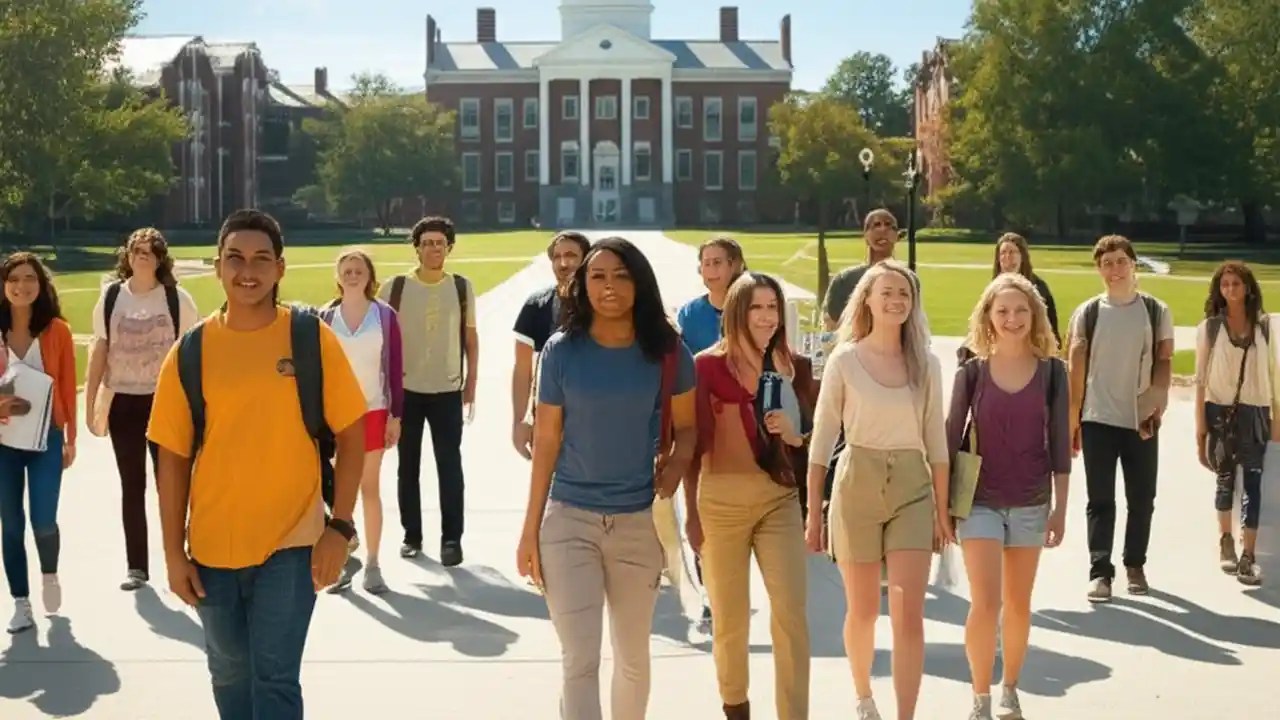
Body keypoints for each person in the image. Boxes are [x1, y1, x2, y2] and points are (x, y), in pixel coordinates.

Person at [147, 209, 367, 718]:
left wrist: (339, 526)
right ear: (218, 265)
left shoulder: (310, 340)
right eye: (235, 258)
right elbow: (173, 460)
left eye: (261, 259)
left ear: (280, 268)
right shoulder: (191, 351)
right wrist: (172, 552)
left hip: (292, 544)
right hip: (212, 548)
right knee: (228, 674)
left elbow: (354, 436)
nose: (248, 270)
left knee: (274, 679)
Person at [515, 237, 697, 720]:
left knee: (633, 659)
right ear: (581, 284)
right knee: (580, 660)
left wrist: (676, 466)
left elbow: (688, 427)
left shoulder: (668, 351)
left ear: (640, 283)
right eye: (597, 276)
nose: (609, 286)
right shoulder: (560, 351)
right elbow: (547, 442)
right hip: (568, 522)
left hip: (639, 522)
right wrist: (530, 529)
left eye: (621, 275)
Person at [805, 260, 951, 720]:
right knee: (864, 610)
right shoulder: (845, 360)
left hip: (912, 486)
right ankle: (865, 695)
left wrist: (942, 511)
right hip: (856, 484)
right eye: (886, 291)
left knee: (909, 615)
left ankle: (906, 714)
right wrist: (813, 512)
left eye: (904, 293)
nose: (896, 300)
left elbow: (937, 442)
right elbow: (823, 438)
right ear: (867, 299)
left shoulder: (926, 364)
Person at [689, 272, 813, 720]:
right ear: (738, 311)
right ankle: (736, 708)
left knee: (791, 614)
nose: (766, 317)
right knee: (730, 619)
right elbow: (692, 447)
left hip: (779, 499)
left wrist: (796, 433)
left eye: (773, 308)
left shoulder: (795, 367)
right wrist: (691, 515)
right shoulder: (705, 366)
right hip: (720, 503)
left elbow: (815, 440)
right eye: (757, 307)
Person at [946, 274, 1070, 720]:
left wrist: (1060, 509)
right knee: (986, 601)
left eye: (1020, 310)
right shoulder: (972, 371)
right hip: (979, 500)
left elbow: (1060, 445)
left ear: (1034, 314)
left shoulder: (1054, 372)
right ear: (988, 317)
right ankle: (979, 697)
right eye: (1003, 311)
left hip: (1032, 501)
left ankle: (1009, 690)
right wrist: (942, 508)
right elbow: (948, 440)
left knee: (1018, 603)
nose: (1012, 318)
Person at [84, 227, 199, 592]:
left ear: (161, 257)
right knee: (131, 485)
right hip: (123, 403)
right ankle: (137, 567)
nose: (142, 255)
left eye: (150, 250)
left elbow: (191, 357)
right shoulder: (112, 296)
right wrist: (90, 406)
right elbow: (100, 350)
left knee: (173, 485)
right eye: (136, 250)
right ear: (127, 256)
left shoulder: (177, 299)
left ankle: (182, 557)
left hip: (164, 403)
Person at [1067, 235, 1173, 602]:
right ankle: (1100, 572)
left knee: (1142, 497)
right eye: (1107, 263)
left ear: (1133, 263)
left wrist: (1156, 404)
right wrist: (1073, 421)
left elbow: (1164, 361)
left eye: (1121, 261)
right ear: (1099, 269)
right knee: (1100, 500)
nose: (1115, 269)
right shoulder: (1088, 313)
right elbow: (1075, 372)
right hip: (1098, 418)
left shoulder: (1156, 311)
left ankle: (1134, 564)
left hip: (1140, 418)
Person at [379, 216, 479, 566]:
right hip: (406, 391)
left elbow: (470, 338)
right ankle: (412, 535)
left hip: (447, 389)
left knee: (450, 466)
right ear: (417, 247)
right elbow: (382, 341)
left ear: (449, 247)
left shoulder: (462, 286)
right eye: (427, 243)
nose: (433, 248)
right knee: (407, 466)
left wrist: (471, 384)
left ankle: (452, 539)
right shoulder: (396, 288)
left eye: (439, 243)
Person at [0, 253, 77, 634]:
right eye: (14, 279)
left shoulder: (57, 331)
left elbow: (66, 385)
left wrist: (70, 439)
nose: (21, 286)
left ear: (41, 284)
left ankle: (49, 574)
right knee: (10, 524)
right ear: (3, 285)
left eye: (30, 278)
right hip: (3, 442)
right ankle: (21, 603)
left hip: (47, 437)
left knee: (43, 519)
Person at [320, 248, 404, 594]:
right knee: (341, 491)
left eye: (358, 270)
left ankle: (372, 564)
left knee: (368, 487)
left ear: (369, 276)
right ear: (338, 277)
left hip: (373, 411)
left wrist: (395, 416)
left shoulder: (384, 316)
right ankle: (342, 561)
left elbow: (396, 369)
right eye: (346, 270)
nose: (352, 275)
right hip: (335, 416)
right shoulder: (325, 317)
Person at [675, 234, 747, 632]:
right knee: (699, 517)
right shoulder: (688, 315)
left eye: (719, 263)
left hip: (743, 429)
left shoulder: (755, 306)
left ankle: (730, 592)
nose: (711, 270)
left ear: (735, 265)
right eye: (706, 263)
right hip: (701, 425)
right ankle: (710, 597)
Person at [1195, 261, 1275, 585]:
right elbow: (1200, 380)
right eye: (1225, 284)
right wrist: (1200, 427)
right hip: (1220, 411)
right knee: (1225, 478)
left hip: (1255, 411)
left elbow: (1275, 375)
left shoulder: (1266, 327)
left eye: (1236, 284)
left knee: (1253, 483)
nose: (1230, 289)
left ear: (1248, 288)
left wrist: (1276, 418)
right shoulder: (1211, 328)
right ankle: (1226, 540)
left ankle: (1249, 554)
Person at [512, 231, 590, 459]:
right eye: (557, 257)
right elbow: (522, 369)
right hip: (547, 418)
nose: (563, 263)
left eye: (571, 256)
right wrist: (519, 421)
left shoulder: (604, 305)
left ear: (587, 259)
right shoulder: (536, 305)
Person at [822, 209, 920, 332]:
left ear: (897, 236)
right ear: (865, 235)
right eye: (876, 225)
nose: (882, 230)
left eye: (889, 225)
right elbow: (831, 325)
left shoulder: (908, 279)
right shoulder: (845, 279)